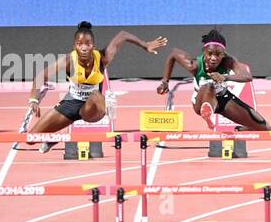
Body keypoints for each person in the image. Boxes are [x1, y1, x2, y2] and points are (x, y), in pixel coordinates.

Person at [27, 22, 167, 150]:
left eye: (87, 44)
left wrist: (145, 45)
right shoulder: (69, 61)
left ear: (92, 45)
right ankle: (58, 137)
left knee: (95, 95)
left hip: (93, 108)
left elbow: (122, 35)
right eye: (79, 44)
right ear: (74, 45)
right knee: (30, 139)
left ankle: (107, 107)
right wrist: (34, 100)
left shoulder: (103, 57)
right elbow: (41, 76)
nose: (83, 47)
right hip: (71, 104)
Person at [156, 28, 269, 130]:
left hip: (223, 98)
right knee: (209, 86)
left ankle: (248, 127)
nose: (213, 58)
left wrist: (224, 77)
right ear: (204, 52)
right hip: (201, 100)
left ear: (223, 54)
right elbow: (173, 53)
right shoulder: (194, 65)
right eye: (209, 54)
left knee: (264, 127)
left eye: (218, 54)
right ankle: (208, 112)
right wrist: (165, 81)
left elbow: (247, 76)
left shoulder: (229, 61)